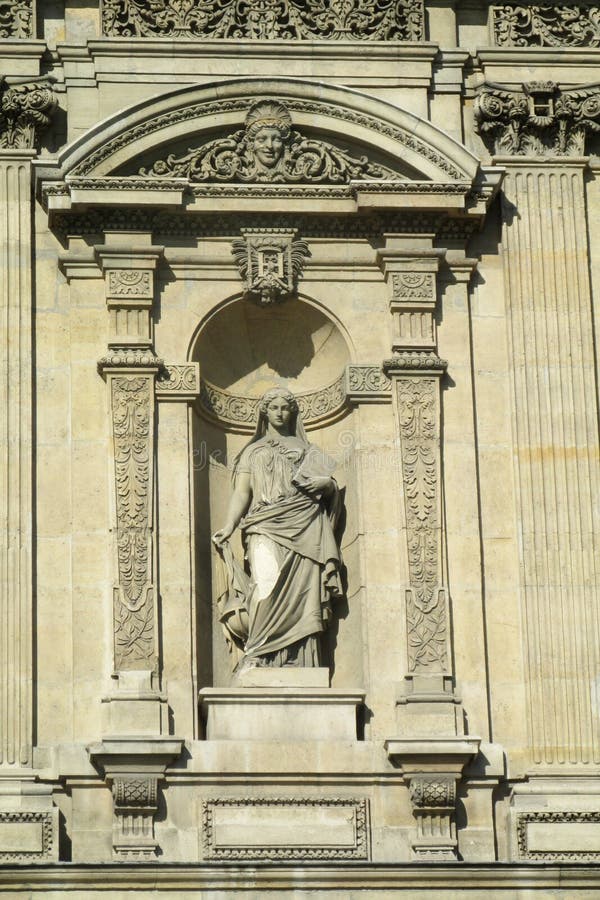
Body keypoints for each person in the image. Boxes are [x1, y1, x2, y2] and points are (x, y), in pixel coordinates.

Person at [212, 387, 342, 670]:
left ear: (292, 411)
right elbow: (242, 493)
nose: (280, 412)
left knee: (303, 595)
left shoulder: (309, 450)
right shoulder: (253, 451)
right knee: (265, 586)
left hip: (306, 525)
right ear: (265, 412)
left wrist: (327, 485)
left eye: (285, 407)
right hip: (264, 524)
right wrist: (230, 525)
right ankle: (259, 651)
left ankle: (301, 660)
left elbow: (329, 487)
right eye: (274, 408)